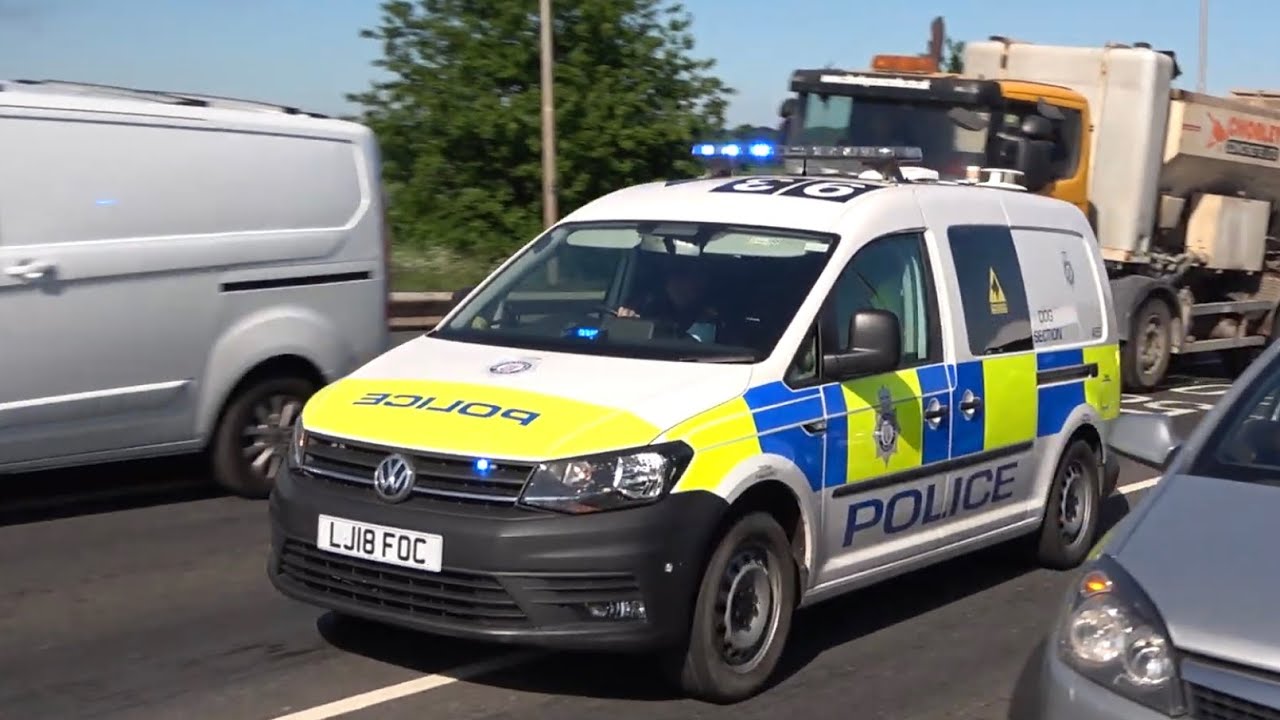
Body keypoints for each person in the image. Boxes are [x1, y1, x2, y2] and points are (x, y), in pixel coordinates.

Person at [617, 264, 718, 338]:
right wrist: (626, 323)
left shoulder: (707, 323)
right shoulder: (638, 307)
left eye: (697, 287)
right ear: (669, 280)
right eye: (681, 275)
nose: (689, 287)